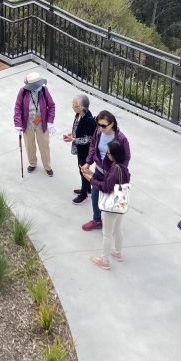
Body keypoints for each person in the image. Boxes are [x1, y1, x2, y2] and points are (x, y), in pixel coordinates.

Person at [80, 109, 131, 230]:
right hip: (99, 170)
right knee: (95, 195)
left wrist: (115, 172)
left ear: (112, 124)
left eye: (103, 125)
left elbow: (126, 158)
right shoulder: (98, 132)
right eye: (98, 124)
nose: (100, 127)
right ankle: (97, 220)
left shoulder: (121, 139)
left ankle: (111, 224)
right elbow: (93, 145)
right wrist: (88, 162)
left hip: (112, 174)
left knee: (112, 200)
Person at [85, 140, 129, 269]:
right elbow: (111, 182)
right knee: (118, 229)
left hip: (111, 205)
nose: (107, 155)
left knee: (107, 234)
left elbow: (106, 187)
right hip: (121, 202)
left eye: (109, 153)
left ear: (114, 154)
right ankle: (118, 252)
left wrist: (91, 180)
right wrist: (93, 176)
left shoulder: (114, 169)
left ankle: (105, 260)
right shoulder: (123, 167)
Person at [14, 70, 57, 175]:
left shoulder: (44, 90)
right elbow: (18, 108)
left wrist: (50, 122)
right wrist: (18, 124)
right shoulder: (23, 91)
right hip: (28, 124)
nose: (40, 86)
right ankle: (32, 163)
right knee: (30, 146)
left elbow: (51, 106)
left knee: (44, 146)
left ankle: (47, 166)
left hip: (41, 125)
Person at [62, 92, 96, 203]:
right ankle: (87, 189)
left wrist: (74, 140)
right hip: (81, 149)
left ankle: (84, 194)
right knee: (82, 169)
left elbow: (89, 139)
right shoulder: (78, 114)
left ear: (82, 107)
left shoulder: (89, 120)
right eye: (73, 104)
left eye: (75, 105)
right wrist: (72, 135)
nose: (73, 107)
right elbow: (77, 130)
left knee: (83, 170)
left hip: (86, 151)